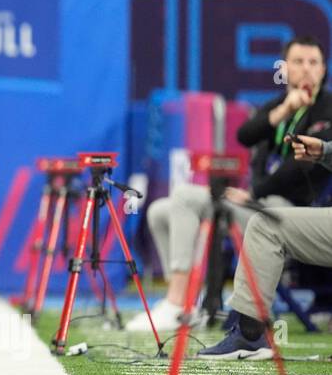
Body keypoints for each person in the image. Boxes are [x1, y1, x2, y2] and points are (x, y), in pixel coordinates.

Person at [133, 36, 332, 331]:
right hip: (256, 202)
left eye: (313, 63)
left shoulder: (327, 108)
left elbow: (298, 169)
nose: (306, 69)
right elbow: (245, 136)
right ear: (285, 68)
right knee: (160, 210)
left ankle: (177, 304)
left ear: (323, 69)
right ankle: (191, 299)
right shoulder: (280, 105)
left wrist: (251, 193)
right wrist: (284, 111)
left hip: (290, 208)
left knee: (187, 197)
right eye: (298, 62)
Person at [200, 133, 332, 358]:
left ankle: (249, 336)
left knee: (265, 226)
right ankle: (180, 305)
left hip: (276, 198)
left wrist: (253, 193)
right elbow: (249, 131)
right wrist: (325, 151)